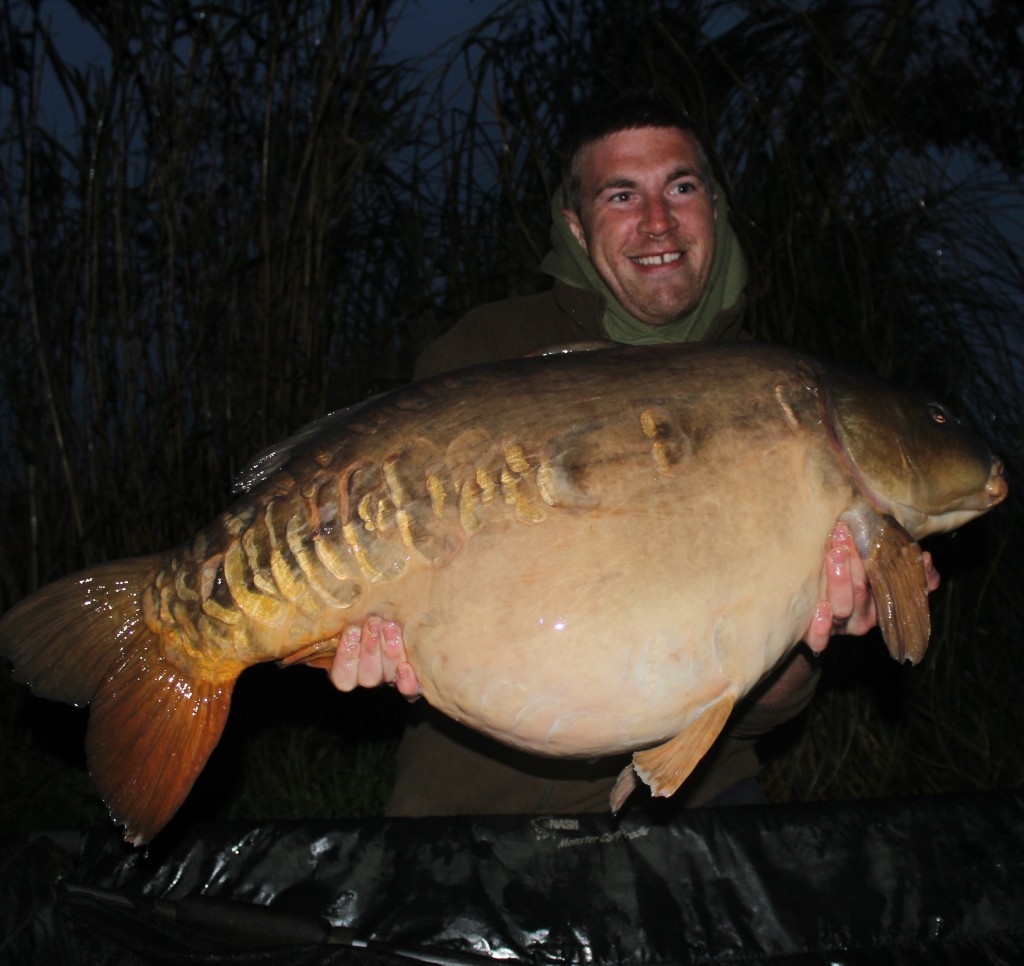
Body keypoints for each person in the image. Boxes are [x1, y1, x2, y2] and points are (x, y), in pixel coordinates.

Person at [328, 97, 938, 815]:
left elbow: (769, 711)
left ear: (714, 205)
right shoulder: (485, 353)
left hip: (701, 792)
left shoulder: (777, 395)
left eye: (680, 187)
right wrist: (374, 627)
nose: (658, 222)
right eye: (622, 195)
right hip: (476, 798)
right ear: (576, 227)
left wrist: (811, 633)